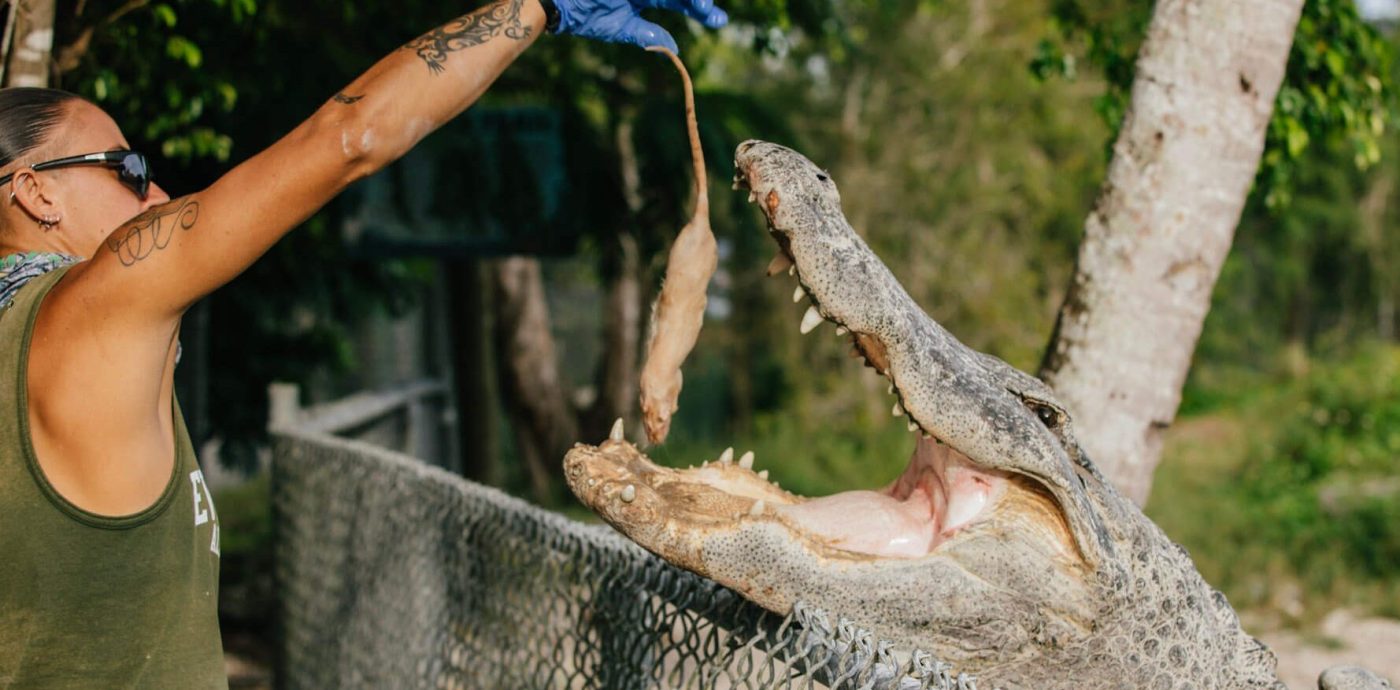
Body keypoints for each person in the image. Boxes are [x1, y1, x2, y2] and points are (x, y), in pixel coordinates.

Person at [0, 0, 727, 686]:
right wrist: (535, 6)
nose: (156, 194)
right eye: (127, 169)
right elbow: (347, 139)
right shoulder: (89, 312)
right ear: (35, 193)